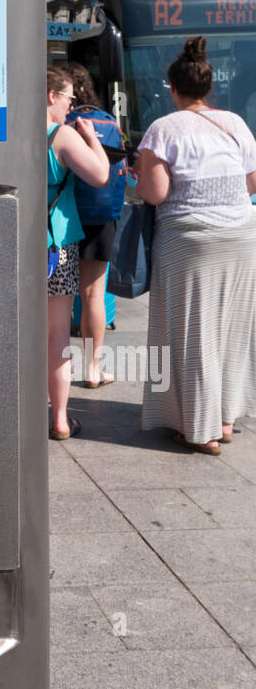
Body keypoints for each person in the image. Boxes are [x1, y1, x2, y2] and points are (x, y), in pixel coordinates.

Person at [136, 36, 256, 455]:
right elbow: (252, 182)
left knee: (192, 332)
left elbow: (154, 193)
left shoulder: (162, 129)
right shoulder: (236, 123)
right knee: (233, 329)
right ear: (209, 88)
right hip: (242, 235)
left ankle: (200, 429)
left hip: (191, 239)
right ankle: (225, 419)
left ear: (173, 89)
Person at [47, 66, 109, 440]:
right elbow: (101, 174)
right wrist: (91, 138)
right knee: (57, 335)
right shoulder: (62, 136)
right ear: (51, 95)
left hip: (14, 241)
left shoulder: (8, 130)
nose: (71, 107)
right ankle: (60, 420)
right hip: (58, 245)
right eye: (69, 98)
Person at [62, 63, 127, 387]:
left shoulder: (63, 123)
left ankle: (54, 370)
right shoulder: (109, 123)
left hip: (65, 216)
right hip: (102, 218)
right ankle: (92, 369)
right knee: (94, 295)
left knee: (55, 297)